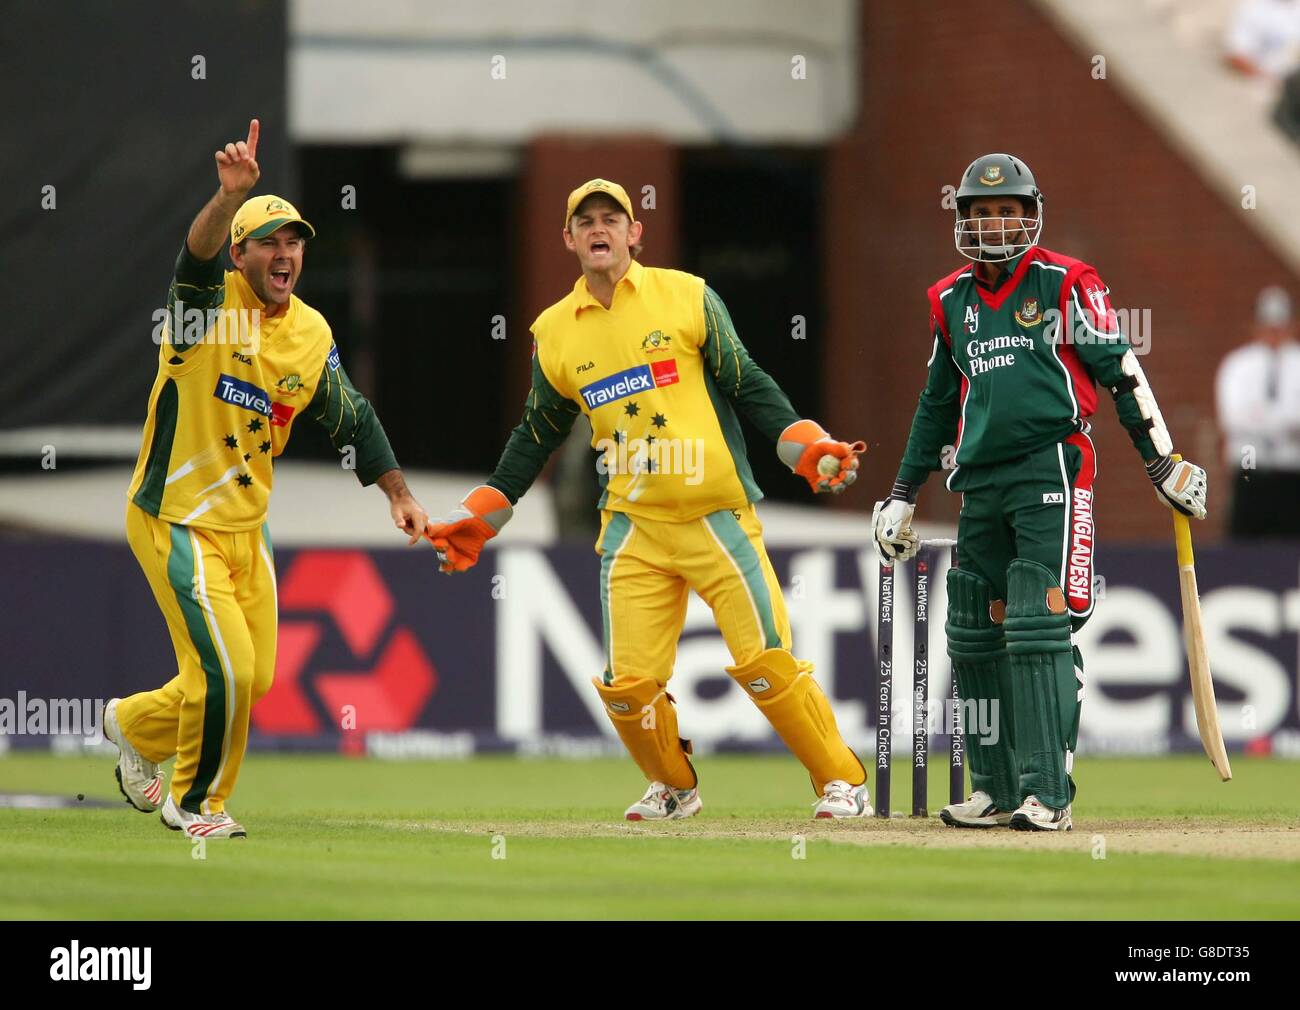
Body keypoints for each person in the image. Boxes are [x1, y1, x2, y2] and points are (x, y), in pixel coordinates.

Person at [426, 179, 871, 820]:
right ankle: (674, 788)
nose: (599, 229)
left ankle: (840, 782)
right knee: (628, 689)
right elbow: (536, 434)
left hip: (717, 515)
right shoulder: (553, 332)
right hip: (634, 527)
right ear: (569, 239)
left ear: (635, 233)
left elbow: (747, 383)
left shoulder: (686, 295)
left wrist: (809, 447)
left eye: (612, 219)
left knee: (767, 663)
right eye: (586, 222)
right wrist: (482, 516)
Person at [104, 119, 429, 839]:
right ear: (241, 253)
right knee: (227, 675)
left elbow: (351, 416)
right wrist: (227, 198)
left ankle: (131, 724)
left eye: (295, 243)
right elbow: (191, 257)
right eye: (269, 242)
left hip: (249, 530)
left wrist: (398, 493)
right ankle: (194, 805)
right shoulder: (204, 307)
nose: (285, 255)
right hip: (176, 517)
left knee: (252, 679)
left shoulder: (310, 332)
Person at [872, 154, 1208, 832]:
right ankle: (995, 789)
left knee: (1035, 619)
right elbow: (936, 406)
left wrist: (1162, 463)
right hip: (981, 478)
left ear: (1032, 214)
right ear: (962, 219)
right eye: (981, 213)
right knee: (971, 625)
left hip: (1051, 464)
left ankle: (1047, 793)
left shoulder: (1064, 284)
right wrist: (904, 493)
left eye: (1008, 211)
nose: (995, 225)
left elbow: (1120, 371)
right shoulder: (951, 301)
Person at [1216, 285, 1300, 537]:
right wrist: (1283, 424)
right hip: (1249, 468)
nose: (1274, 334)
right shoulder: (1238, 365)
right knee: (1245, 543)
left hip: (1292, 471)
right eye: (1268, 326)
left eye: (1280, 326)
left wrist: (1262, 418)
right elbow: (1233, 418)